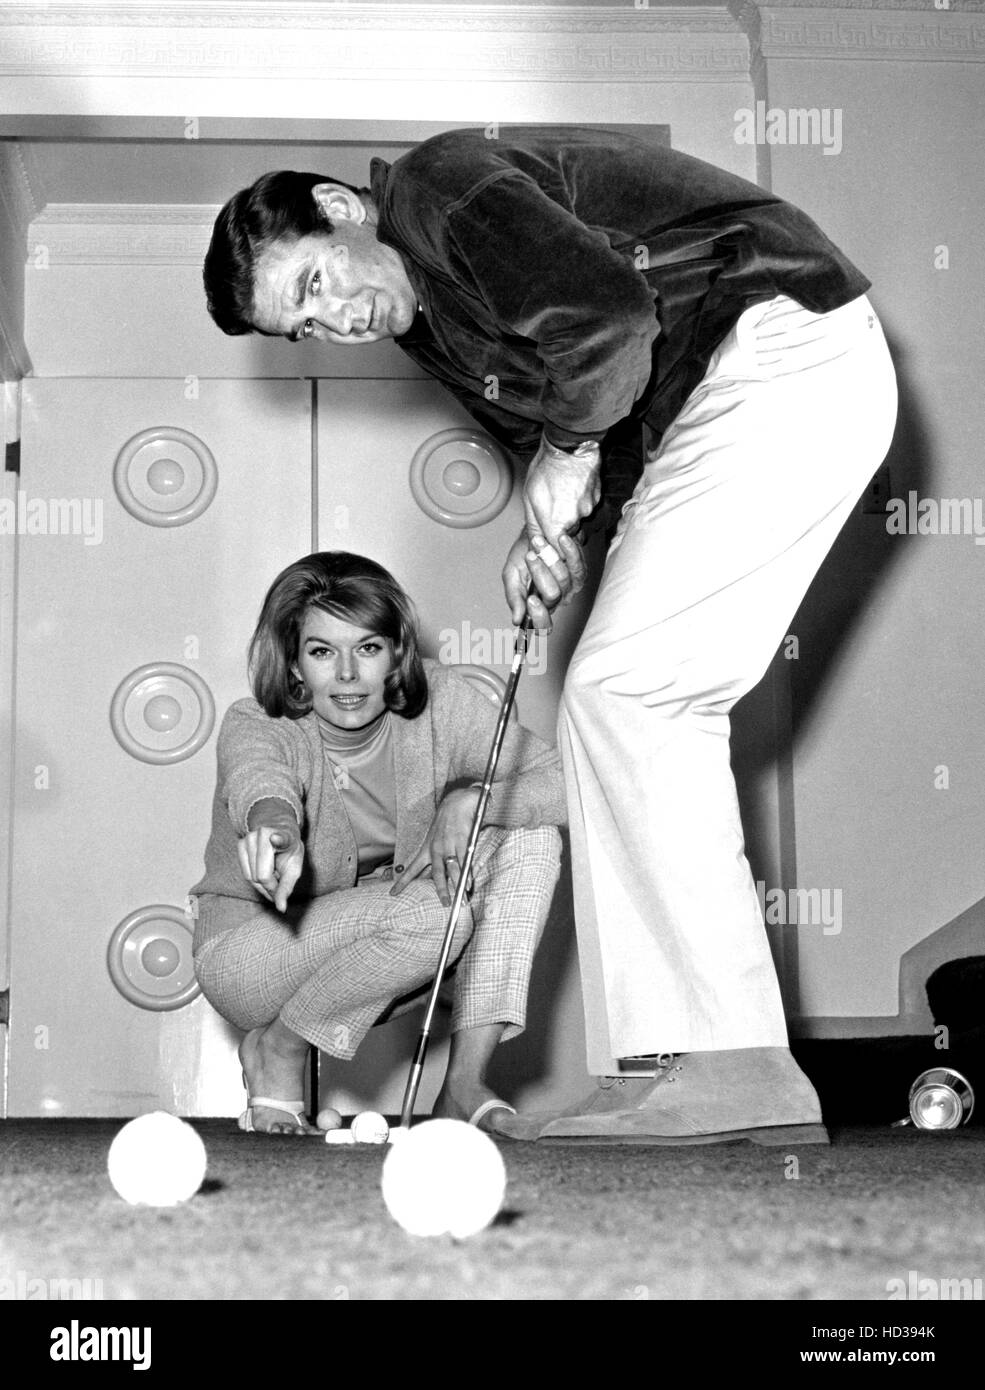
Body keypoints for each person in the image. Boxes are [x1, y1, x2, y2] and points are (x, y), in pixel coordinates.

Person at [203, 126, 898, 1143]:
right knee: (603, 700)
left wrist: (565, 459)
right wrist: (552, 537)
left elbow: (608, 321)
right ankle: (666, 1060)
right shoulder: (432, 329)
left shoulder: (438, 187)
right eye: (304, 327)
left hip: (774, 347)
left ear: (342, 210)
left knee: (629, 692)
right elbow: (580, 453)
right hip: (709, 405)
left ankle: (736, 1062)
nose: (335, 322)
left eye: (314, 284)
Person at [189, 551, 563, 1135]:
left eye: (366, 648)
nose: (346, 675)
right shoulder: (257, 721)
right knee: (436, 914)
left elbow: (562, 780)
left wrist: (478, 800)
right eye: (321, 652)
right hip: (251, 952)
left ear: (396, 653)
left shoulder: (440, 702)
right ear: (294, 663)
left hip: (393, 943)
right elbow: (259, 779)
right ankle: (279, 1047)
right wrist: (275, 824)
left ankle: (462, 1085)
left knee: (531, 835)